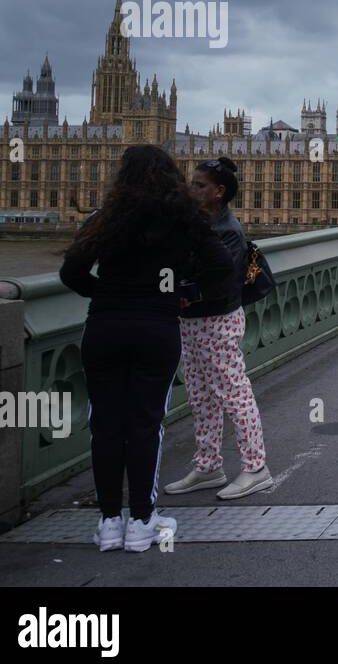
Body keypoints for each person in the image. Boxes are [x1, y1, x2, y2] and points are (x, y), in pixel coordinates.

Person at [59, 145, 233, 552]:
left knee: (105, 426)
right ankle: (141, 521)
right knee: (145, 425)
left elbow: (71, 272)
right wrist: (185, 293)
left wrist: (106, 293)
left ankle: (108, 524)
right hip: (156, 327)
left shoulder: (104, 219)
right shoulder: (183, 219)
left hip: (104, 327)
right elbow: (223, 267)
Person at [165, 156, 272, 500]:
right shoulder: (194, 222)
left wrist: (185, 294)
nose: (191, 189)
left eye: (199, 185)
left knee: (234, 393)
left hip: (218, 321)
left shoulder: (227, 230)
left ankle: (256, 468)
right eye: (191, 182)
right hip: (192, 322)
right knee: (200, 396)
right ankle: (208, 465)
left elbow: (221, 281)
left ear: (218, 192)